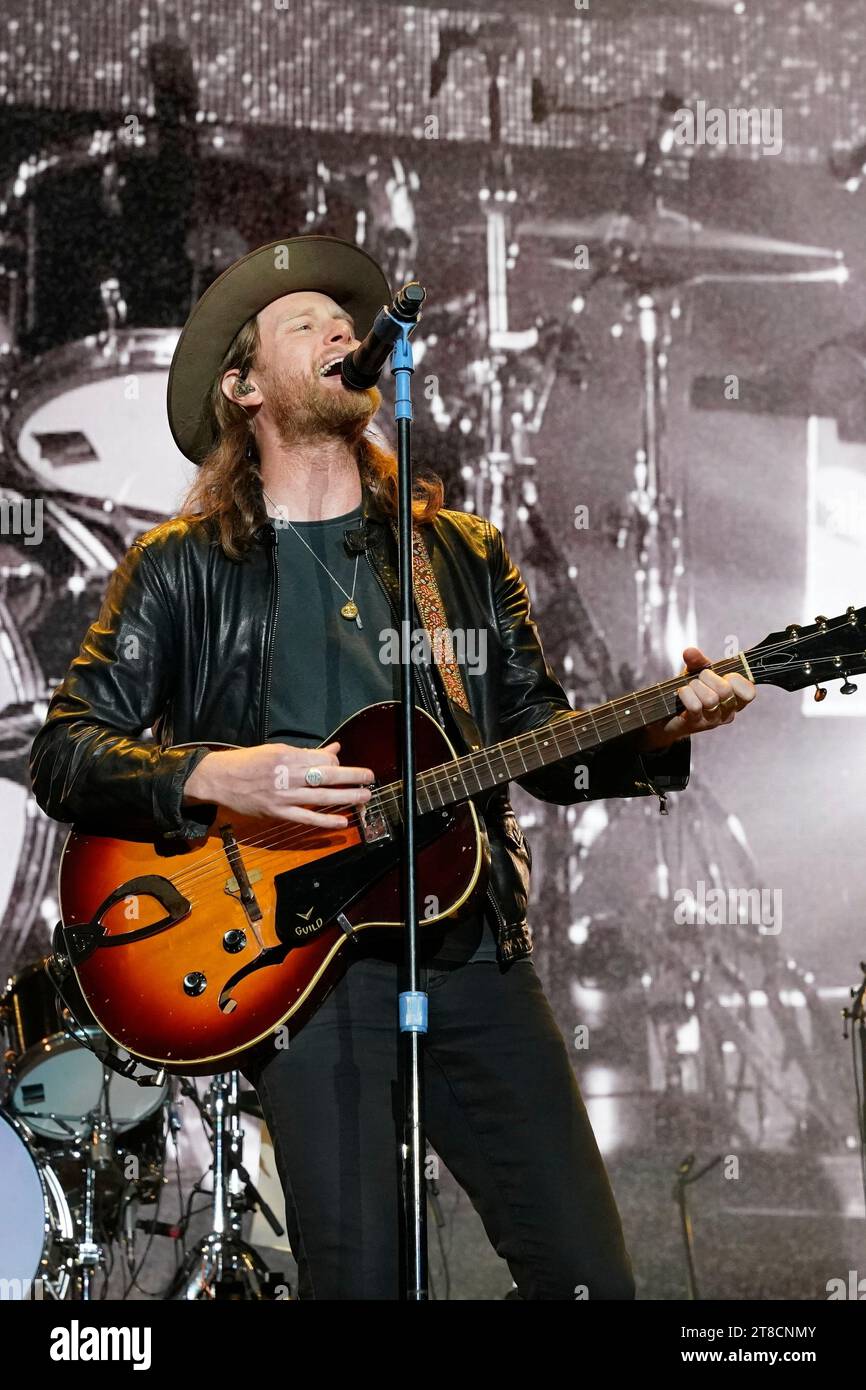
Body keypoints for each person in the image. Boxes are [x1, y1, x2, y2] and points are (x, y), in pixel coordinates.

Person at [29, 234, 756, 1300]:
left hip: (469, 952)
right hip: (298, 970)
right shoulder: (181, 570)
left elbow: (541, 746)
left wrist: (663, 730)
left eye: (343, 317)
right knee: (359, 1283)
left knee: (586, 1276)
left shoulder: (458, 553)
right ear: (243, 388)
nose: (338, 329)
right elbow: (65, 753)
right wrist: (219, 777)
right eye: (303, 322)